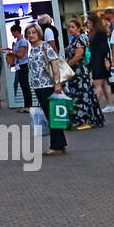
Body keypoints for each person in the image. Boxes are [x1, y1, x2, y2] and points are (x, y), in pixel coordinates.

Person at [25, 22, 67, 155]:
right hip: (38, 86)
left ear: (39, 33)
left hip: (48, 85)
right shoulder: (32, 49)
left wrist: (57, 83)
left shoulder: (45, 46)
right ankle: (60, 143)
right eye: (29, 33)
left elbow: (54, 65)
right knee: (50, 115)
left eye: (34, 32)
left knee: (51, 115)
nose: (31, 35)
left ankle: (56, 146)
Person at [64, 17, 104, 129]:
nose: (70, 29)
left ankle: (85, 120)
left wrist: (67, 65)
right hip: (75, 72)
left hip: (80, 71)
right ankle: (86, 119)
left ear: (78, 28)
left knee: (82, 94)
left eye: (73, 27)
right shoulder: (74, 39)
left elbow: (78, 55)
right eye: (69, 27)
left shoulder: (81, 38)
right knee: (80, 94)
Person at [87, 13, 114, 113]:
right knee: (104, 84)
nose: (87, 24)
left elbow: (104, 47)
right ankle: (110, 104)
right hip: (98, 59)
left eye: (89, 22)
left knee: (98, 84)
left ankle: (93, 108)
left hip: (99, 60)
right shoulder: (97, 32)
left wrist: (105, 59)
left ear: (94, 23)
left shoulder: (99, 33)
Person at [8, 22, 32, 111]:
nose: (12, 34)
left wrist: (12, 52)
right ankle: (26, 105)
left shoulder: (23, 41)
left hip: (23, 65)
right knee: (22, 85)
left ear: (16, 32)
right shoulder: (17, 42)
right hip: (18, 65)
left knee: (25, 85)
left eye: (12, 32)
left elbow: (21, 54)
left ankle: (29, 105)